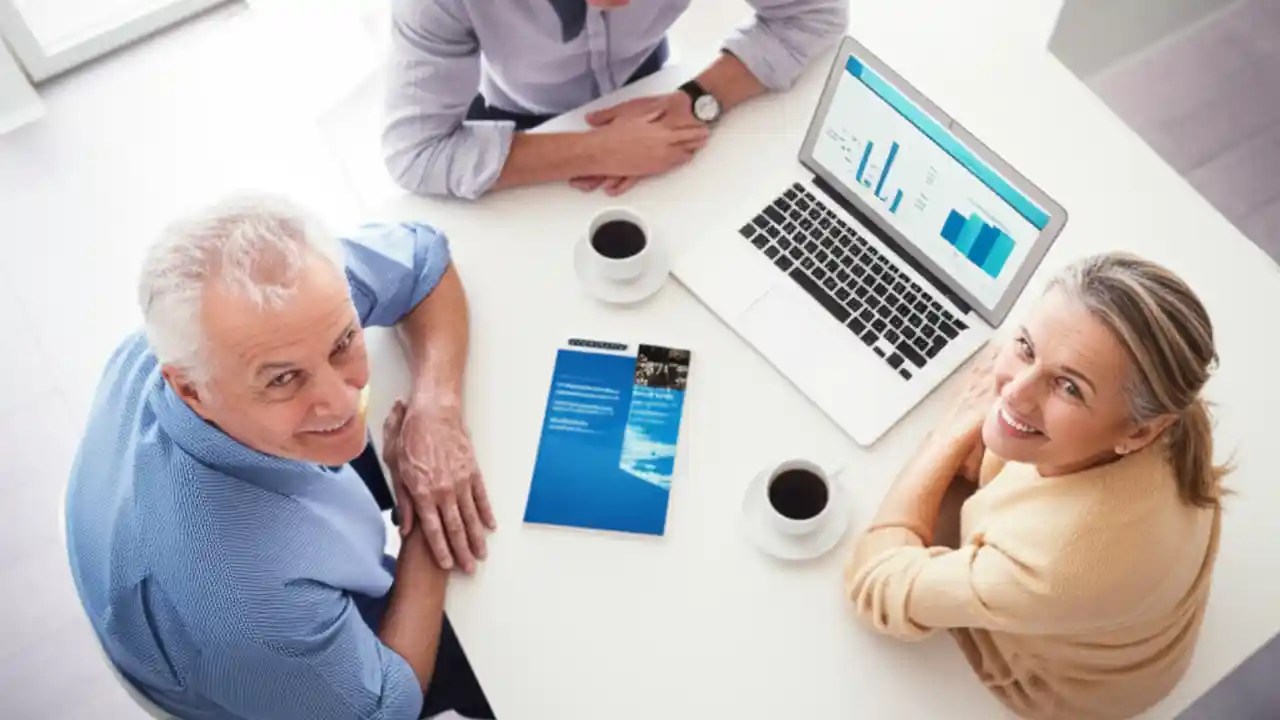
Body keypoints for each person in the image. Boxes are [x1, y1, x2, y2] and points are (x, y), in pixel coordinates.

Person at [65, 195, 495, 719]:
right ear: (192, 392)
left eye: (343, 344)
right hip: (261, 660)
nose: (343, 401)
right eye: (283, 378)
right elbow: (387, 710)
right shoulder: (247, 608)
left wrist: (436, 407)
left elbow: (422, 257)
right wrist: (424, 524)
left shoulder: (272, 316)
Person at [844, 253, 1226, 720]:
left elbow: (874, 588)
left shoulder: (1057, 562)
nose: (1013, 392)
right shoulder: (1165, 414)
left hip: (1060, 685)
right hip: (1109, 611)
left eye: (1069, 387)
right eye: (1025, 346)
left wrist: (952, 429)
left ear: (1141, 432)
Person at [382, 0, 848, 200]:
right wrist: (597, 150)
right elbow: (415, 154)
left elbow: (815, 15)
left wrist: (700, 97)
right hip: (514, 119)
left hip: (648, 80)